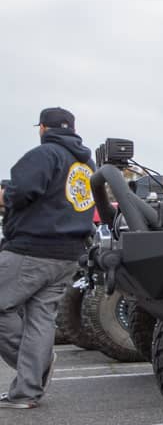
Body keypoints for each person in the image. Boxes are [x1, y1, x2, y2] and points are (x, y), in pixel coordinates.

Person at [0, 107, 96, 409]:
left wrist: (4, 196)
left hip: (32, 249)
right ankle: (26, 392)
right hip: (69, 254)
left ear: (43, 128)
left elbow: (20, 192)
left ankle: (35, 369)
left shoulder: (45, 154)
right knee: (40, 319)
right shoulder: (86, 163)